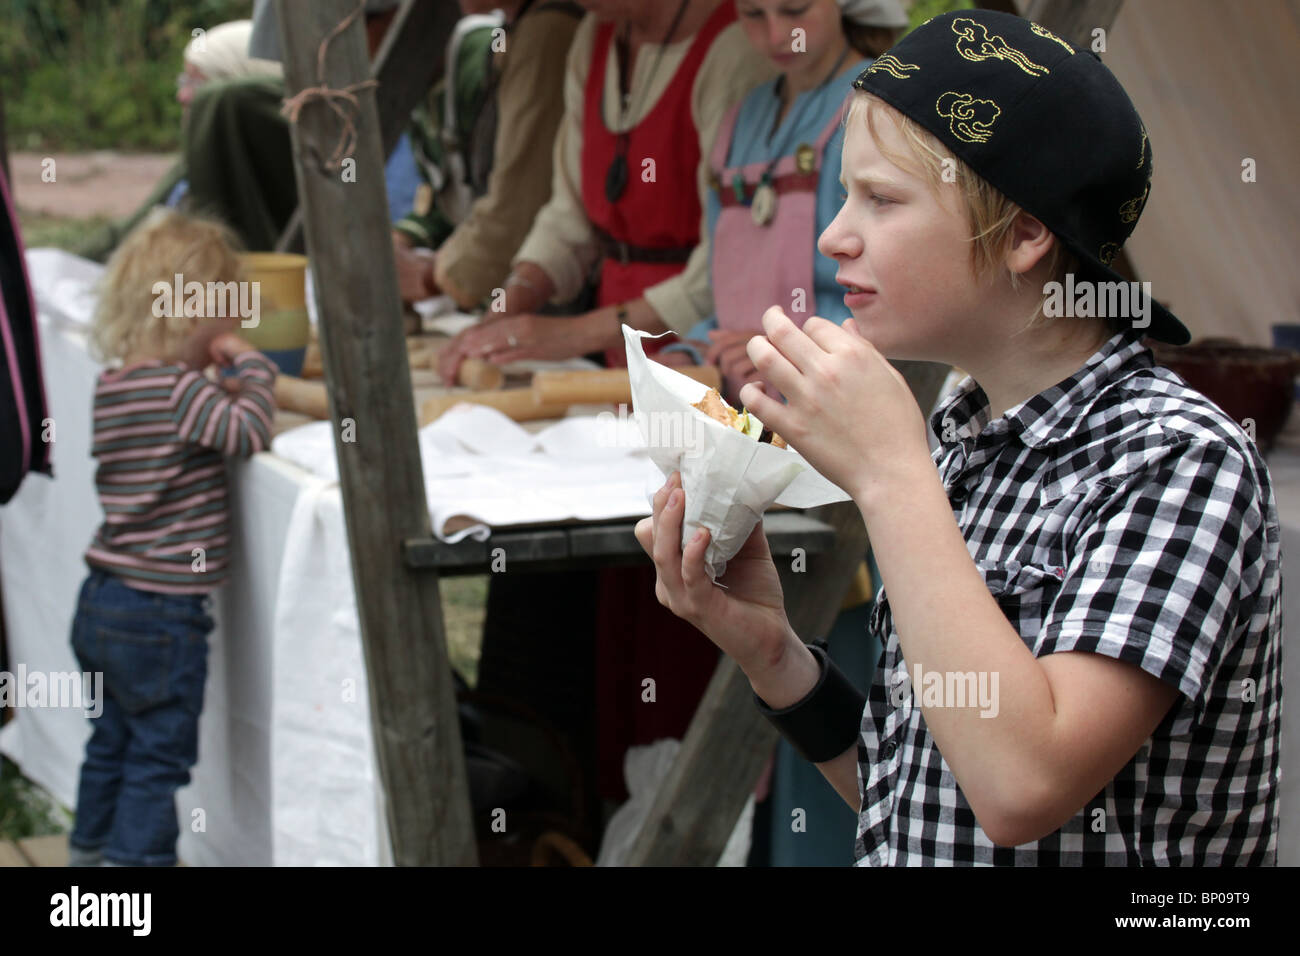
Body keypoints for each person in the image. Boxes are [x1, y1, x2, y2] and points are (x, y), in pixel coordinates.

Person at [636, 9, 1281, 865]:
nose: (835, 237)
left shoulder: (1177, 460)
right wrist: (775, 656)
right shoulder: (962, 437)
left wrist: (893, 476)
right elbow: (924, 805)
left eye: (881, 199)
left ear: (1023, 233)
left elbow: (1020, 788)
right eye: (842, 194)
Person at [653, 0, 905, 868]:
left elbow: (876, 309)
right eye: (754, 11)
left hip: (832, 439)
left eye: (794, 8)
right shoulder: (738, 115)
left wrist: (777, 354)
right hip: (743, 429)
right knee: (774, 670)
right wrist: (700, 355)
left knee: (843, 657)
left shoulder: (869, 111)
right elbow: (719, 280)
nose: (774, 31)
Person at [66, 209, 278, 867]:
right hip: (162, 614)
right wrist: (253, 367)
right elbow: (248, 430)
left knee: (112, 742)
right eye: (229, 311)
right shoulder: (183, 391)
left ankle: (88, 854)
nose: (237, 323)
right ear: (190, 314)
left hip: (103, 601)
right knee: (159, 757)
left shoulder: (117, 384)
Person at [436, 0, 776, 382]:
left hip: (698, 354)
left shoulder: (733, 49)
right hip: (615, 349)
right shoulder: (593, 38)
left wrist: (570, 334)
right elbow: (568, 218)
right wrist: (500, 316)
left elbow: (718, 271)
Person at [392, 0, 583, 310]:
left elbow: (520, 202)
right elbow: (453, 188)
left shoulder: (545, 34)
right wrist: (406, 238)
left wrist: (434, 275)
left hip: (561, 292)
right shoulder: (518, 32)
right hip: (529, 283)